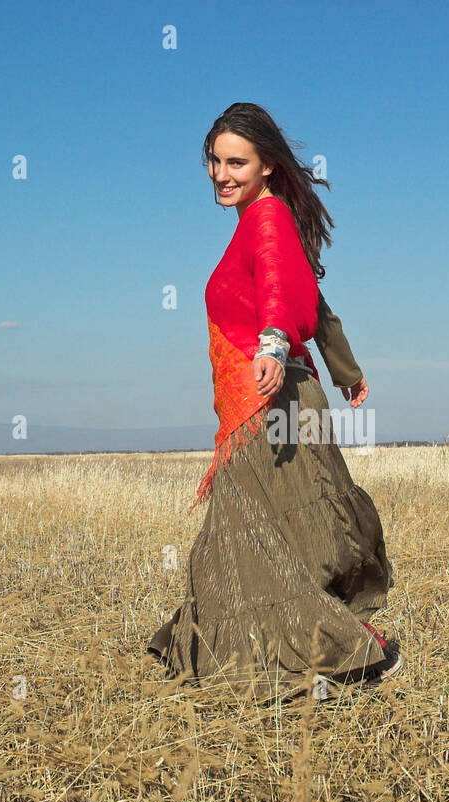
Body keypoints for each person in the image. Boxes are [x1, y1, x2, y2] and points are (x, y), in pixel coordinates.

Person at [145, 102, 401, 703]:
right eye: (215, 161)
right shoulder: (267, 220)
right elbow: (313, 296)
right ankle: (317, 650)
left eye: (237, 162)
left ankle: (331, 655)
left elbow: (283, 295)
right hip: (280, 400)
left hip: (272, 402)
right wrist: (347, 369)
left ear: (266, 167)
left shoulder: (265, 218)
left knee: (254, 541)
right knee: (270, 540)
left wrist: (271, 342)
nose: (221, 173)